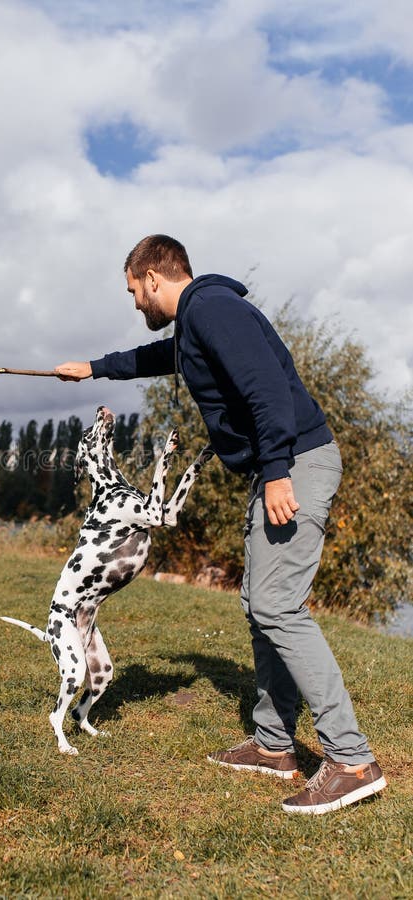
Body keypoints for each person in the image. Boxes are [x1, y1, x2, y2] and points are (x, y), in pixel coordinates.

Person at [55, 234, 386, 815]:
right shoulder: (196, 324)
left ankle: (352, 760)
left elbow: (265, 390)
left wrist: (279, 472)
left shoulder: (214, 309)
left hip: (296, 465)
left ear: (154, 278)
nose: (135, 304)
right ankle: (274, 743)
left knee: (277, 604)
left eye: (134, 292)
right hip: (279, 467)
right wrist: (94, 369)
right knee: (259, 604)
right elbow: (160, 359)